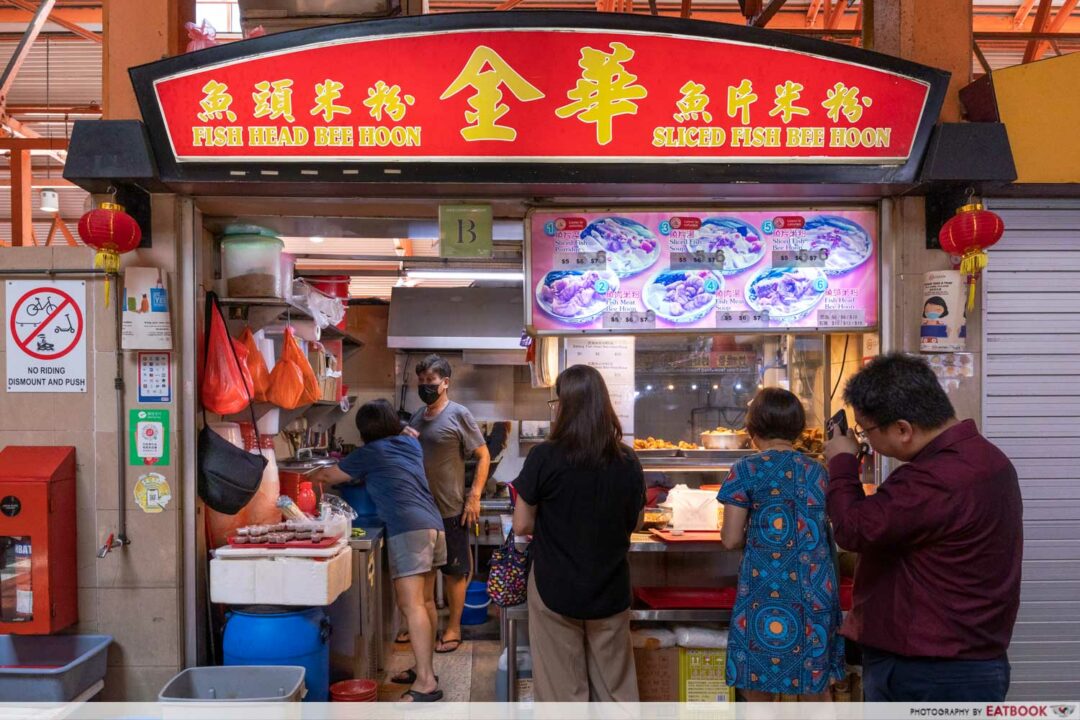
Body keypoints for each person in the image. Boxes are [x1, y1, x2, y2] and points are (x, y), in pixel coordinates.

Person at [824, 352, 1023, 702]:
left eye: (865, 431)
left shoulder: (935, 480)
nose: (863, 440)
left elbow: (853, 529)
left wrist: (842, 461)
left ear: (903, 429)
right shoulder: (988, 459)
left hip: (929, 673)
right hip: (961, 663)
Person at [512, 364, 646, 702]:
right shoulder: (628, 460)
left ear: (563, 405)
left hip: (554, 584)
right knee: (616, 689)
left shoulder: (544, 456)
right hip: (610, 585)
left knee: (562, 692)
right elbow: (636, 522)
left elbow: (522, 524)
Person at [311, 399, 446, 702]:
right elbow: (407, 438)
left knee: (412, 605)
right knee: (425, 602)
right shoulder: (409, 444)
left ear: (364, 430)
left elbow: (328, 476)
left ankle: (426, 683)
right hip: (433, 525)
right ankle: (424, 669)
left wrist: (297, 475)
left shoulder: (370, 452)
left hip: (408, 528)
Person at [716, 387, 845, 701]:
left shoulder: (745, 470)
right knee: (815, 688)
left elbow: (731, 539)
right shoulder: (819, 471)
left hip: (764, 590)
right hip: (814, 589)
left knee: (757, 684)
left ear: (753, 428)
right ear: (798, 428)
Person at [405, 354, 490, 654]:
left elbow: (483, 455)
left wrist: (474, 496)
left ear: (445, 383)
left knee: (454, 572)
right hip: (420, 512)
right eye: (421, 381)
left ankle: (454, 628)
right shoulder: (417, 417)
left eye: (430, 380)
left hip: (451, 509)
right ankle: (426, 629)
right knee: (425, 572)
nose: (425, 386)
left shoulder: (458, 414)